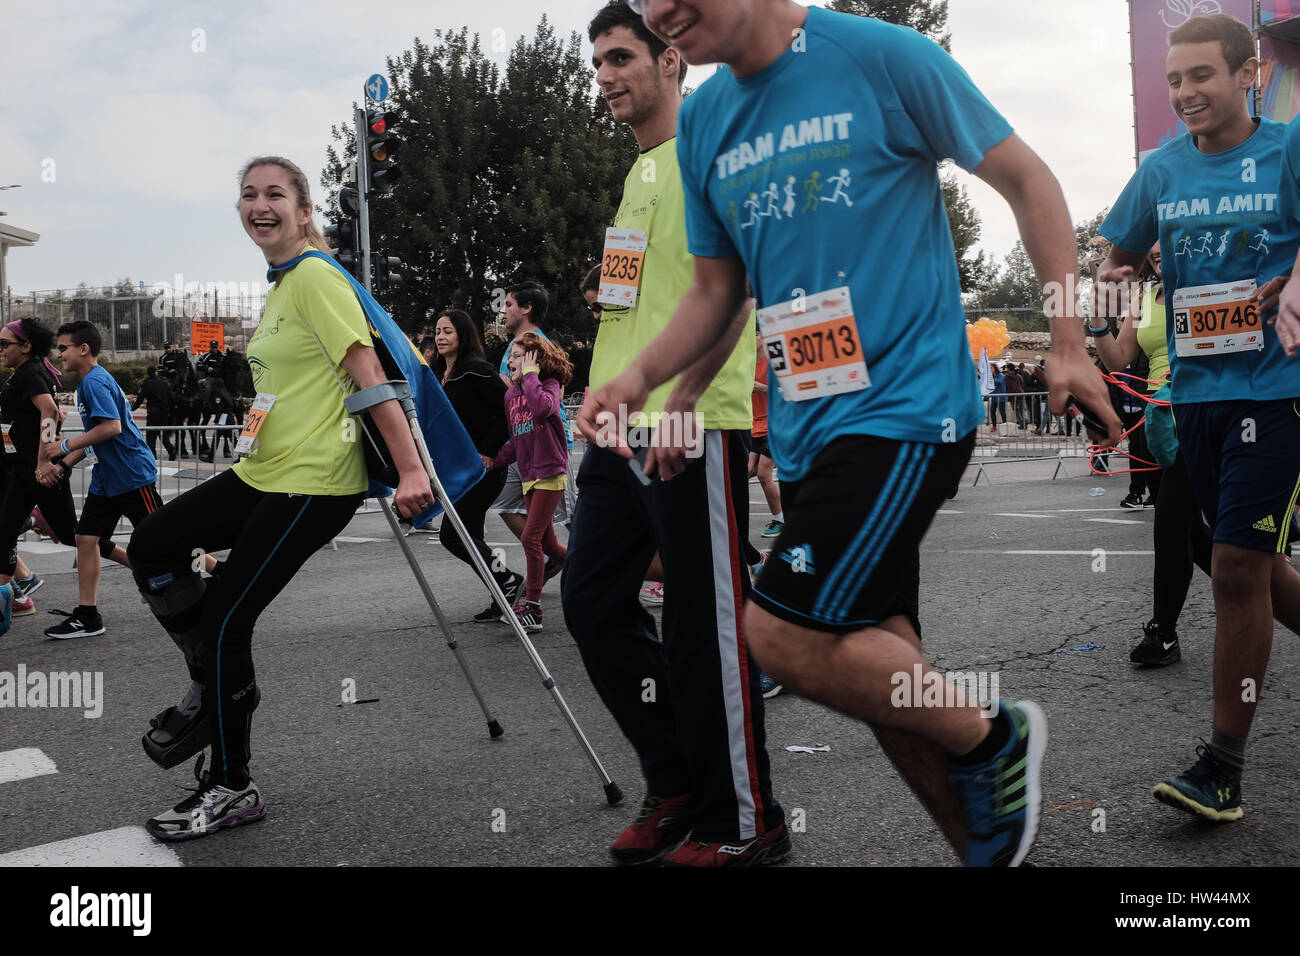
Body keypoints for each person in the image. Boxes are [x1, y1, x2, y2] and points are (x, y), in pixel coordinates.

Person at [592, 0, 1120, 866]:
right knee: (882, 665)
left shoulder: (881, 57)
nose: (660, 12)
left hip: (907, 411)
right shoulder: (709, 119)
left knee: (781, 634)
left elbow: (1031, 182)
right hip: (807, 430)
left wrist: (1067, 341)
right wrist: (639, 380)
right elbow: (717, 291)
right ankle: (983, 848)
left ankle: (995, 738)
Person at [130, 155, 434, 841]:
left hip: (315, 480)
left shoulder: (317, 278)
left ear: (303, 210)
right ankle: (216, 683)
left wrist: (411, 469)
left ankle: (233, 783)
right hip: (265, 469)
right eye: (247, 194)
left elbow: (369, 374)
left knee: (225, 627)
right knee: (151, 546)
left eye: (275, 194)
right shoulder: (282, 285)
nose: (258, 205)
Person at [566, 1, 784, 868]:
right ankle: (678, 779)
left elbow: (731, 290)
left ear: (670, 62)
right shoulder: (638, 176)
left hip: (691, 426)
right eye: (597, 64)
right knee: (589, 606)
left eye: (621, 56)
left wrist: (687, 399)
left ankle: (747, 818)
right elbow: (627, 308)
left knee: (706, 627)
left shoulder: (708, 146)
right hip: (618, 432)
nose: (607, 76)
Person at [1097, 12, 1300, 822]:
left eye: (1201, 76)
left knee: (1238, 569)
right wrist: (1104, 305)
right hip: (1196, 398)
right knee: (1253, 564)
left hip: (1275, 392)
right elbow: (1112, 260)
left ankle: (1222, 765)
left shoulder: (1288, 150)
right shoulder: (1161, 171)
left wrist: (1289, 285)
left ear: (1248, 74)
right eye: (1174, 80)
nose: (1184, 92)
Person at [1091, 243, 1212, 666]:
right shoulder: (1146, 296)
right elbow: (1121, 357)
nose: (1157, 248)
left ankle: (1162, 633)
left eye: (1167, 235)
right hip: (1158, 417)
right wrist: (1097, 321)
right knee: (1188, 530)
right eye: (1152, 241)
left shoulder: (1211, 283)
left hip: (1200, 410)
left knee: (1171, 522)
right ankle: (1265, 593)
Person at [38, 320, 160, 640]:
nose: (59, 354)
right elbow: (96, 438)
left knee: (162, 544)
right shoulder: (89, 382)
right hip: (107, 478)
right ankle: (88, 615)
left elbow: (112, 428)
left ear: (83, 349)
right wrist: (64, 464)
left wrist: (63, 446)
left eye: (63, 348)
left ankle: (214, 574)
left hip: (132, 476)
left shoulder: (94, 382)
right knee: (87, 539)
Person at [427, 308, 524, 614]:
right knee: (471, 535)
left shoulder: (477, 370)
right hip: (457, 469)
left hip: (483, 469)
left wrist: (489, 450)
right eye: (438, 331)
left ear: (462, 335)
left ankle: (507, 578)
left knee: (453, 535)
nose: (441, 337)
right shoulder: (439, 372)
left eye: (448, 332)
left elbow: (506, 411)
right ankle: (503, 589)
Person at [0, 318, 80, 636]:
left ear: (26, 346)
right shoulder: (26, 373)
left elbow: (50, 411)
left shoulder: (31, 372)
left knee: (76, 537)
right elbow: (55, 415)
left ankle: (149, 564)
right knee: (3, 534)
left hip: (39, 472)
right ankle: (10, 599)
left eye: (5, 344)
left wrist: (45, 457)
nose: (1, 349)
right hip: (22, 471)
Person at [487, 334, 570, 632]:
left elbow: (542, 410)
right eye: (511, 356)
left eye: (518, 356)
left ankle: (533, 607)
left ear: (534, 360)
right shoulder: (511, 396)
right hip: (528, 475)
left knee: (530, 539)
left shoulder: (547, 386)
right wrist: (493, 460)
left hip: (550, 473)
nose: (510, 361)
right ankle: (591, 575)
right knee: (548, 542)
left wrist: (532, 377)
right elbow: (516, 438)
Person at [489, 282, 577, 551]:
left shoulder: (539, 345)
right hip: (523, 440)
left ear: (527, 308)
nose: (503, 311)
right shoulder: (515, 345)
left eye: (509, 304)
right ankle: (549, 557)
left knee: (574, 519)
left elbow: (556, 395)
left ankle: (602, 567)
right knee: (502, 502)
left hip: (550, 445)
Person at [750, 325, 782, 538]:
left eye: (750, 336)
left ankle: (780, 520)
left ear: (760, 336)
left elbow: (785, 390)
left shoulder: (774, 361)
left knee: (763, 473)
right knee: (748, 471)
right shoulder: (745, 362)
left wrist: (760, 387)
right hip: (753, 424)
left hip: (774, 423)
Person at [133, 366, 176, 460]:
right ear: (156, 372)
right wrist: (171, 411)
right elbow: (171, 398)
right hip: (164, 413)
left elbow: (140, 399)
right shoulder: (164, 383)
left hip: (153, 414)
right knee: (163, 434)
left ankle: (153, 457)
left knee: (151, 437)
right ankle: (171, 450)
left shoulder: (146, 384)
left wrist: (131, 409)